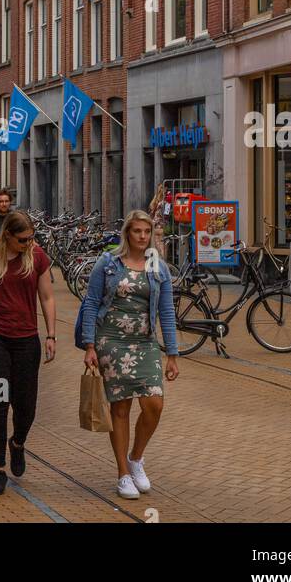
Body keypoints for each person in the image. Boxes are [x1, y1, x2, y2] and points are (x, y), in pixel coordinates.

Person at [80, 209, 179, 500]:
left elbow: (167, 312)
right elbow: (91, 302)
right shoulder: (109, 263)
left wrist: (172, 353)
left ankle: (136, 458)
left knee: (154, 405)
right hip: (111, 342)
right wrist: (89, 345)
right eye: (137, 231)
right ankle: (123, 472)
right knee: (120, 409)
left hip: (145, 343)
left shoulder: (158, 268)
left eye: (147, 232)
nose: (142, 237)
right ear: (127, 233)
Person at [0, 210, 56, 496]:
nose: (28, 244)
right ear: (8, 236)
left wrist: (51, 334)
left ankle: (17, 443)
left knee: (26, 405)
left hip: (26, 341)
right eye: (23, 240)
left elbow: (47, 296)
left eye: (31, 238)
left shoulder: (37, 257)